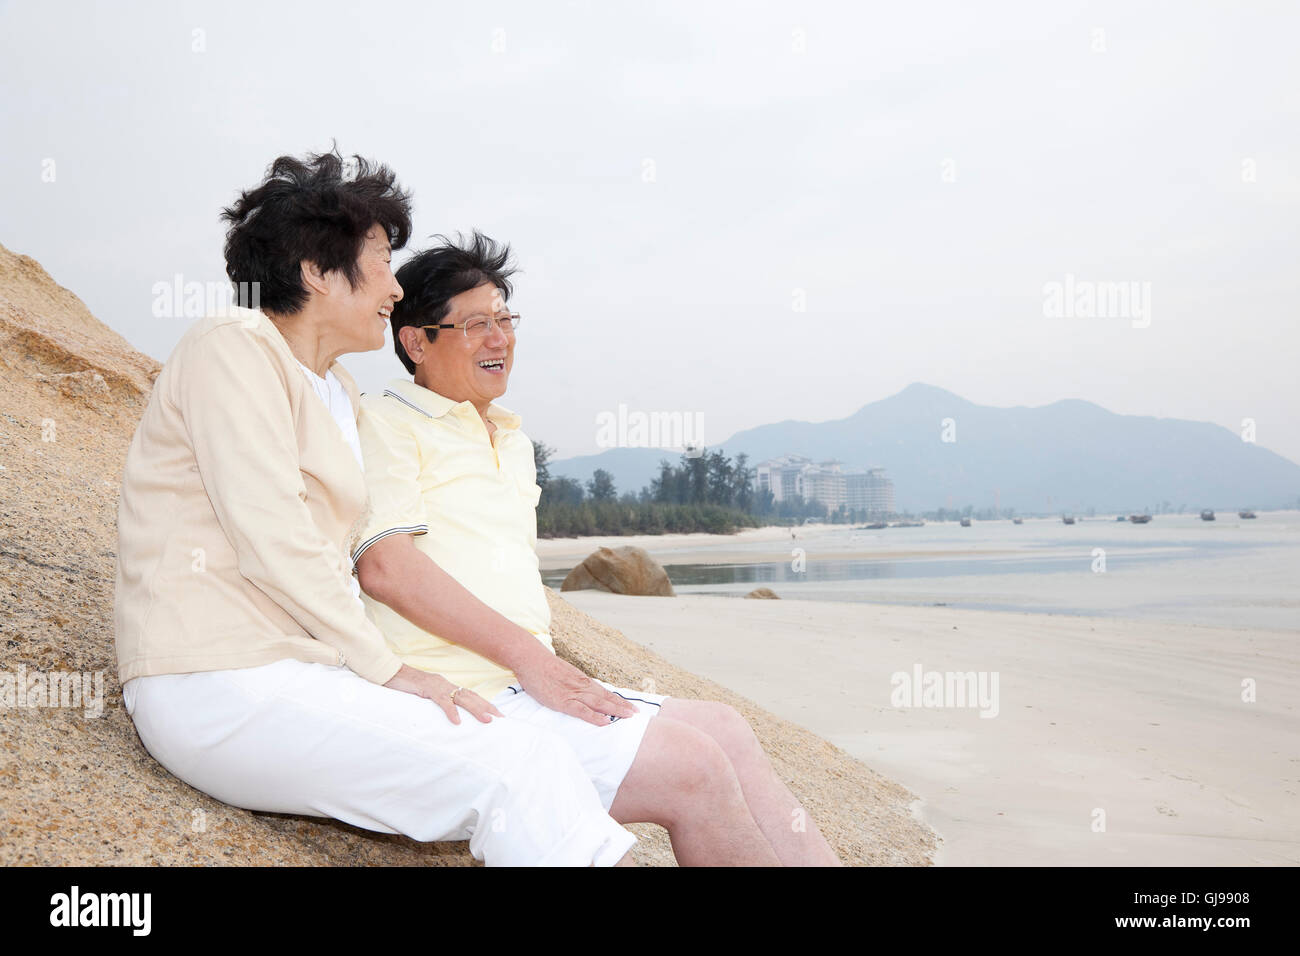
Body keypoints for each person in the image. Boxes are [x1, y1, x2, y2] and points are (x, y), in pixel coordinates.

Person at [114, 150, 638, 866]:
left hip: (301, 671)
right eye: (383, 259)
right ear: (316, 272)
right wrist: (389, 670)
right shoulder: (234, 347)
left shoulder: (339, 392)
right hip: (213, 677)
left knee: (530, 752)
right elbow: (273, 538)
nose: (396, 286)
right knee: (518, 767)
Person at [352, 232, 842, 865]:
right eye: (475, 324)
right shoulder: (382, 419)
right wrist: (531, 659)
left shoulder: (510, 438)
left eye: (505, 319)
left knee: (726, 727)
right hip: (455, 693)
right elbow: (385, 568)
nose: (499, 339)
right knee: (693, 768)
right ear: (415, 340)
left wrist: (537, 667)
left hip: (523, 683)